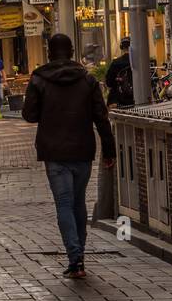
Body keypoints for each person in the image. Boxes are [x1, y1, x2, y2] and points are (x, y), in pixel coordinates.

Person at [22, 32, 116, 279]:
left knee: (63, 203)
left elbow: (29, 115)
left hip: (54, 151)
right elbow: (101, 117)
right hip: (82, 149)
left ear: (50, 53)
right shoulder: (87, 80)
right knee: (78, 203)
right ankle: (80, 256)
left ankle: (75, 259)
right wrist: (109, 150)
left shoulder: (39, 79)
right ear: (72, 52)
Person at [105, 37, 134, 107]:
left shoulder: (116, 63)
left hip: (118, 99)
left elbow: (109, 83)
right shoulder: (139, 62)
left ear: (121, 47)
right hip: (136, 98)